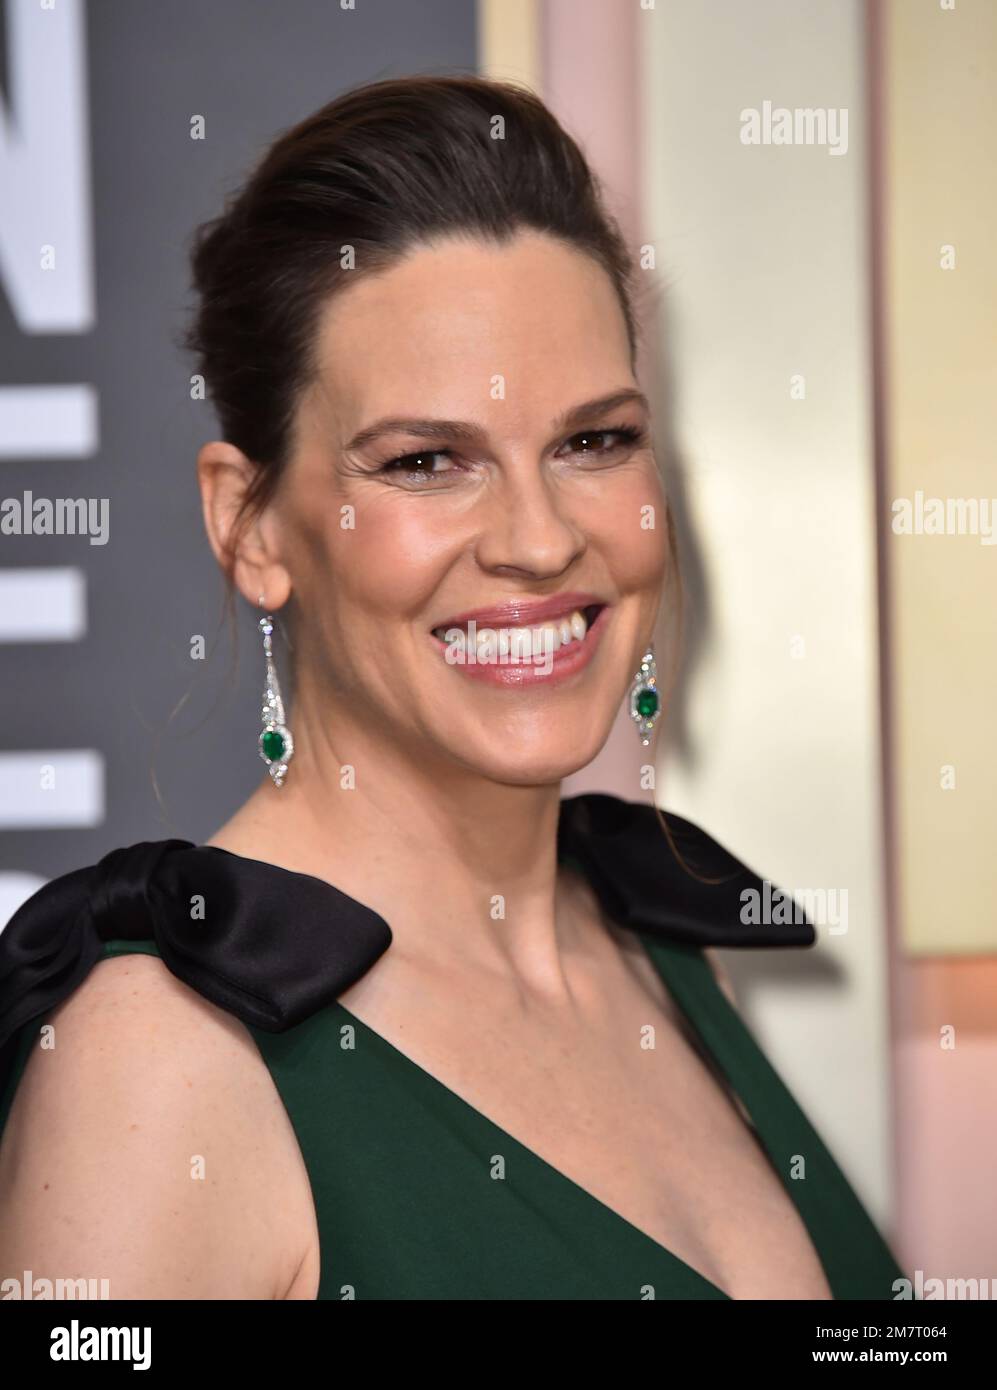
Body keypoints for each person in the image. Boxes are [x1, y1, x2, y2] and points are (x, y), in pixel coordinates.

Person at [0, 74, 906, 1301]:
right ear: (252, 523)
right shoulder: (157, 1066)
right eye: (427, 461)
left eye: (593, 441)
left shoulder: (657, 950)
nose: (538, 540)